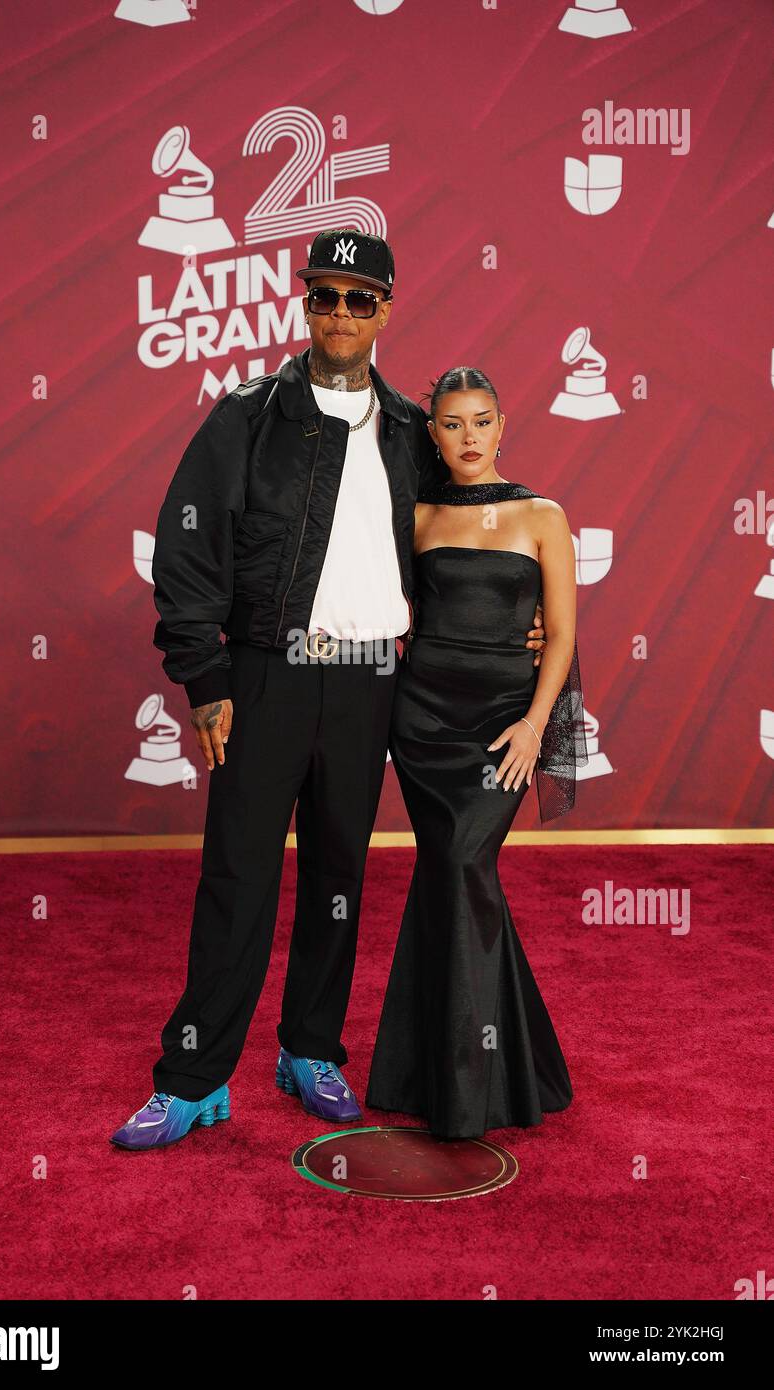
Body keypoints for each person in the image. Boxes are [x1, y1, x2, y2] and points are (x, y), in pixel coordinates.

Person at [110, 232, 548, 1151]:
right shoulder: (247, 417)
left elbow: (460, 533)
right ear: (303, 303)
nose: (342, 313)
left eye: (361, 298)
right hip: (267, 672)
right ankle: (194, 1074)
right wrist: (205, 676)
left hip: (373, 680)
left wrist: (517, 616)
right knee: (239, 872)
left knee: (340, 876)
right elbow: (187, 547)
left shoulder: (407, 429)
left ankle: (311, 1048)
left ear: (385, 310)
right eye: (326, 296)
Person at [366, 367, 587, 1141]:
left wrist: (533, 726)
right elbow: (382, 604)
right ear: (433, 433)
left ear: (502, 425)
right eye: (452, 424)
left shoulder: (542, 515)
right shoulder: (416, 515)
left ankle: (465, 1081)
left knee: (462, 867)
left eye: (481, 421)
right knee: (450, 874)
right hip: (422, 719)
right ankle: (463, 1075)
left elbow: (559, 635)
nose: (467, 437)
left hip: (502, 724)